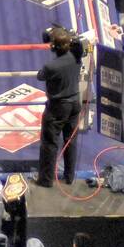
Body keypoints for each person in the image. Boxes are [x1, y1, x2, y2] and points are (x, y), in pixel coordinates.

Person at [35, 25, 85, 187]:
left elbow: (40, 76)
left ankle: (46, 180)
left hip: (57, 107)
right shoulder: (77, 56)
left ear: (53, 47)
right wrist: (68, 35)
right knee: (70, 140)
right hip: (74, 104)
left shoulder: (52, 66)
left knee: (50, 143)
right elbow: (80, 44)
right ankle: (69, 177)